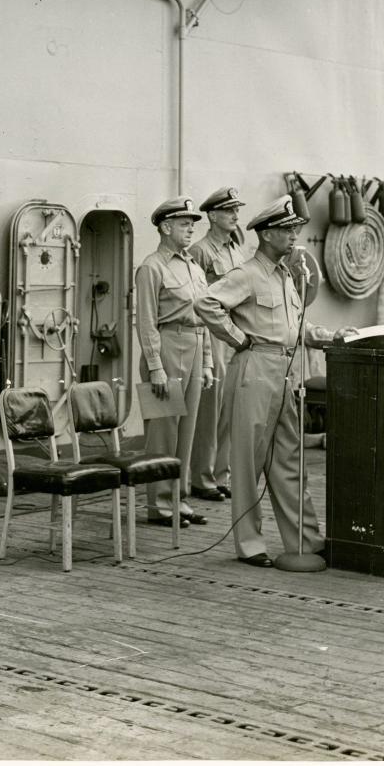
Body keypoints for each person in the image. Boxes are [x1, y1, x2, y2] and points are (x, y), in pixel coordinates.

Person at [195, 195, 357, 568]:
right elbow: (206, 303)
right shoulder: (247, 274)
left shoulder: (287, 276)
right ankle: (250, 545)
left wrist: (331, 335)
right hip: (255, 369)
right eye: (287, 231)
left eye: (295, 230)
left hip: (285, 374)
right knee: (248, 462)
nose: (294, 236)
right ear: (267, 235)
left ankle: (306, 540)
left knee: (290, 461)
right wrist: (237, 339)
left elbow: (295, 327)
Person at [135, 197, 215, 529]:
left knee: (187, 431)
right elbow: (146, 321)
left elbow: (205, 315)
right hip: (166, 346)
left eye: (192, 224)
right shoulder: (152, 267)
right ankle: (160, 505)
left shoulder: (194, 267)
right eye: (184, 224)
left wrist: (208, 362)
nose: (191, 229)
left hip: (194, 345)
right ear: (165, 227)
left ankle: (180, 500)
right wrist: (154, 365)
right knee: (162, 432)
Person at [187, 186, 248, 504]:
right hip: (213, 332)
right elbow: (197, 298)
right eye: (228, 211)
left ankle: (220, 473)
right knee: (210, 409)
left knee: (229, 407)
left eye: (236, 210)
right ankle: (202, 476)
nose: (235, 215)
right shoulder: (201, 251)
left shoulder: (236, 250)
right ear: (212, 215)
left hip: (235, 330)